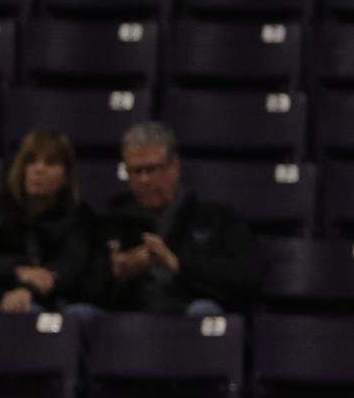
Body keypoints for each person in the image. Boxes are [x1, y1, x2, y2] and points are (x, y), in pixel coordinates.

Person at [99, 121, 264, 315]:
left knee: (203, 311)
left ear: (174, 167)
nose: (144, 180)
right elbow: (85, 286)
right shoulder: (113, 219)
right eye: (136, 171)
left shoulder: (216, 217)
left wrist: (177, 265)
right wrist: (114, 273)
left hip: (186, 320)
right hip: (130, 323)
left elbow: (248, 277)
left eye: (152, 169)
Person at [0, 128, 97, 314]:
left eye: (50, 163)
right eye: (30, 161)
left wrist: (29, 291)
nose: (38, 169)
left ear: (66, 175)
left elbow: (73, 267)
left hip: (57, 304)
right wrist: (17, 270)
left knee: (83, 314)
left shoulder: (79, 215)